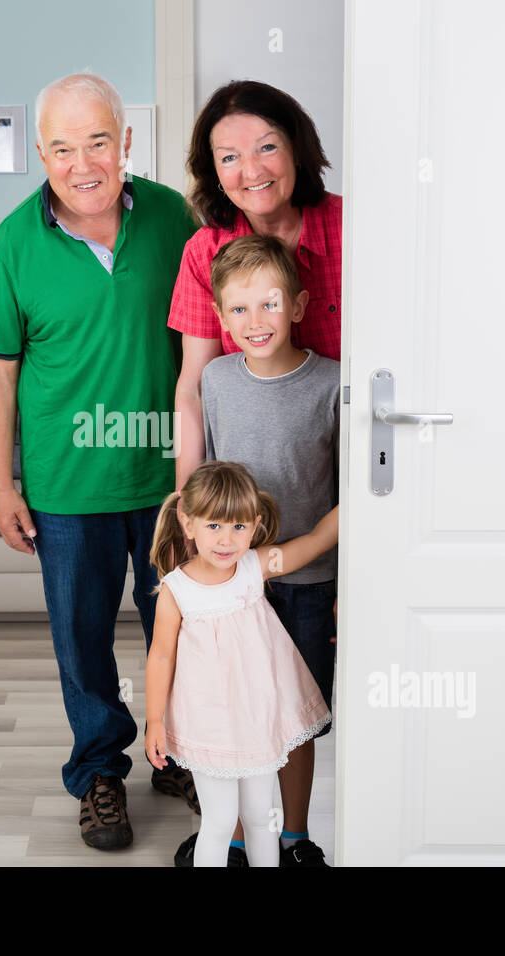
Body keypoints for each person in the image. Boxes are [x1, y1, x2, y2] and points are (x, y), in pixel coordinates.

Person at [0, 72, 198, 851]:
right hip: (68, 489)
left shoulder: (175, 217)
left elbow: (207, 341)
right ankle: (100, 770)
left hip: (171, 481)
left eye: (97, 141)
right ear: (40, 154)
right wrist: (3, 485)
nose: (82, 163)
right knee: (82, 636)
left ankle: (179, 751)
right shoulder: (9, 246)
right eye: (63, 148)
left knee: (187, 626)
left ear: (126, 141)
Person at [169, 80, 343, 866]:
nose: (250, 167)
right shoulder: (208, 253)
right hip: (228, 552)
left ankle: (293, 833)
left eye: (266, 145)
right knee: (231, 694)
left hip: (310, 544)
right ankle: (236, 833)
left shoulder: (348, 231)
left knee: (299, 700)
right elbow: (195, 389)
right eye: (228, 155)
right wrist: (185, 507)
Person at [144, 460, 337, 867]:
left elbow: (318, 540)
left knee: (260, 816)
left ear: (255, 524)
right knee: (219, 818)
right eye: (214, 526)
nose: (226, 540)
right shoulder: (177, 590)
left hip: (257, 718)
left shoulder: (254, 567)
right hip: (208, 721)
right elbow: (160, 656)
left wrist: (360, 498)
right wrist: (155, 721)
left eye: (238, 527)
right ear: (188, 522)